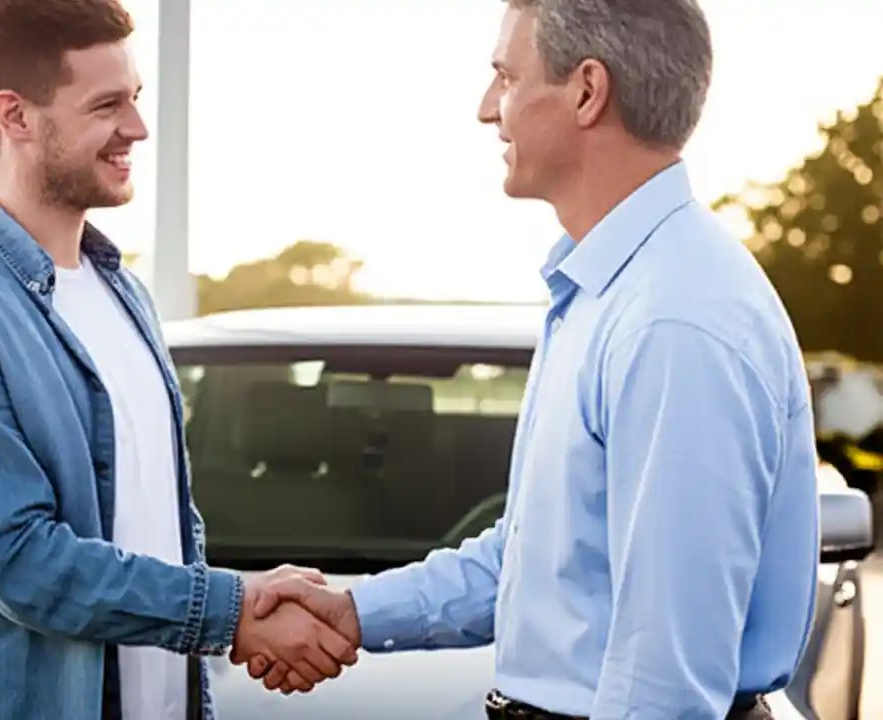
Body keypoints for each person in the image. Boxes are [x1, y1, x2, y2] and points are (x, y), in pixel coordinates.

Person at [245, 1, 820, 718]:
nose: (488, 108)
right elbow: (539, 566)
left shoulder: (671, 320)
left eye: (507, 77)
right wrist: (355, 612)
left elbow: (663, 682)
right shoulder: (610, 293)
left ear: (587, 91)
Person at [0, 1, 357, 718]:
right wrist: (234, 609)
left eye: (136, 98)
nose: (138, 127)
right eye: (107, 105)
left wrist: (238, 602)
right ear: (16, 116)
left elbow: (156, 527)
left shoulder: (124, 293)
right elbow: (23, 562)